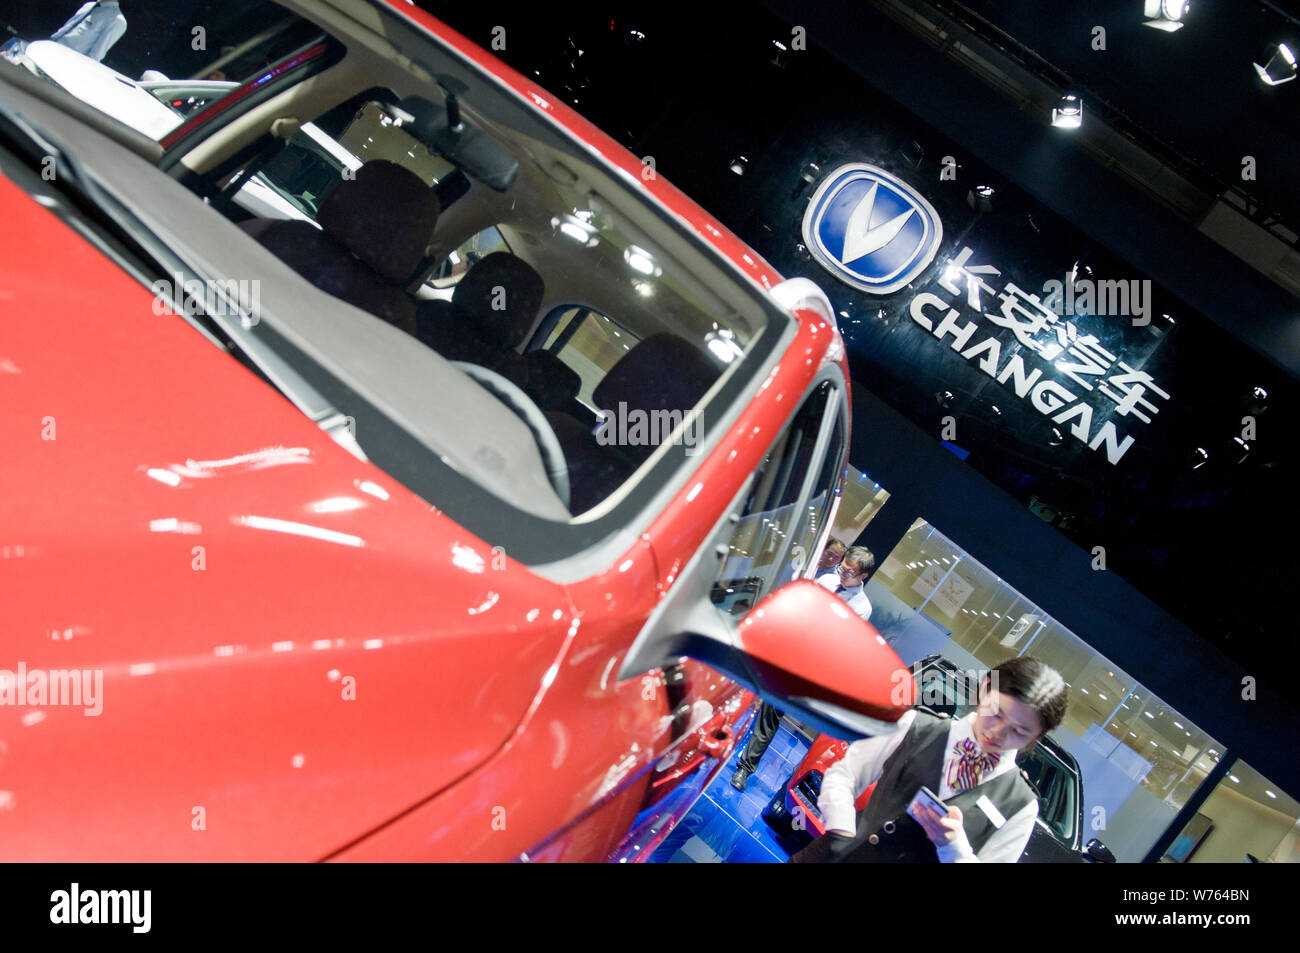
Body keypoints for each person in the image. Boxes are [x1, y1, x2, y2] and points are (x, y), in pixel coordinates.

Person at [790, 656, 1068, 863]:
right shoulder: (915, 725)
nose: (997, 732)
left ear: (1040, 734)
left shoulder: (1021, 805)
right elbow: (846, 774)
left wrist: (954, 847)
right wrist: (841, 826)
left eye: (1019, 731)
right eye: (996, 713)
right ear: (985, 687)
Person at [730, 537, 852, 793]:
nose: (832, 561)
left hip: (798, 657)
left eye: (837, 559)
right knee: (733, 687)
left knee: (771, 713)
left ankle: (745, 767)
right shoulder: (801, 567)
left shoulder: (841, 593)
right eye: (831, 554)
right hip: (769, 636)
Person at [49, 1, 127, 62]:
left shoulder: (117, 21)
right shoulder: (88, 5)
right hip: (51, 49)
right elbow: (66, 28)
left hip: (66, 61)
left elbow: (95, 56)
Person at [815, 544, 874, 622]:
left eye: (849, 573)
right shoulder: (826, 579)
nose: (842, 574)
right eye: (842, 568)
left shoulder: (862, 608)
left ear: (863, 576)